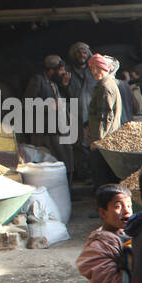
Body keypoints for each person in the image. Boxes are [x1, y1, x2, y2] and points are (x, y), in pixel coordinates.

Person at [76, 183, 132, 283]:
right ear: (102, 212)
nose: (127, 211)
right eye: (118, 206)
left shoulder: (125, 234)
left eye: (129, 205)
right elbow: (107, 282)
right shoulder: (99, 244)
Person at [23, 54, 74, 168]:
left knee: (66, 160)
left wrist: (65, 85)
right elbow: (27, 103)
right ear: (51, 70)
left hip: (59, 127)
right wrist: (49, 107)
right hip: (45, 131)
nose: (63, 73)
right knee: (51, 161)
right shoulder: (38, 81)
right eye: (61, 71)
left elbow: (69, 99)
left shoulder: (56, 83)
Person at [85, 54, 122, 190]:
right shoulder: (106, 83)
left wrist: (98, 140)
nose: (95, 72)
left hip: (103, 142)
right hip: (106, 141)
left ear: (106, 68)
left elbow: (105, 116)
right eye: (92, 69)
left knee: (102, 178)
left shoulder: (105, 86)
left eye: (98, 68)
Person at [63, 41, 95, 180]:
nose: (82, 55)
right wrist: (64, 84)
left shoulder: (93, 71)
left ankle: (93, 175)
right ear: (73, 55)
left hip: (92, 113)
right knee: (78, 146)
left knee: (94, 144)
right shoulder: (67, 72)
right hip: (75, 114)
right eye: (78, 53)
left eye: (84, 52)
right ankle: (82, 175)